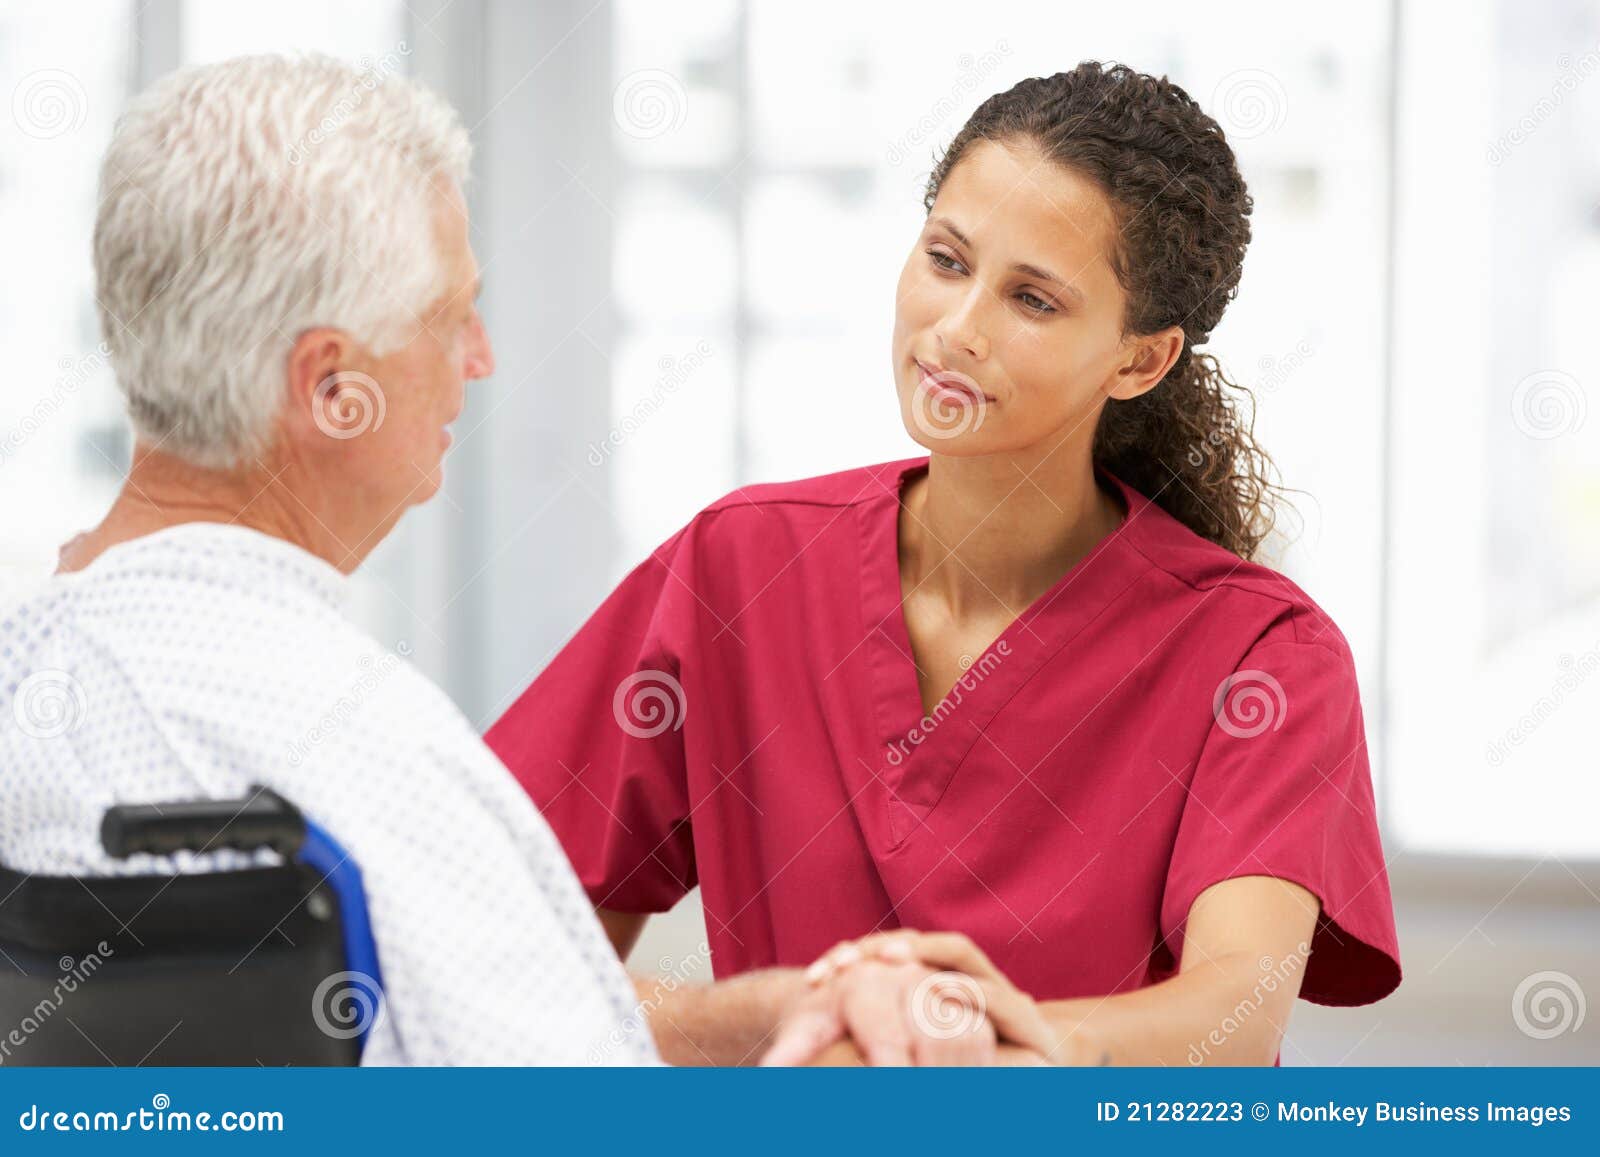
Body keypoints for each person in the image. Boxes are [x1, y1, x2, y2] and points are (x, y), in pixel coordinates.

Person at [487, 61, 1403, 1066]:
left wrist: (961, 1047)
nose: (955, 330)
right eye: (947, 259)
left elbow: (1233, 1018)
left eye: (1033, 300)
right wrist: (762, 1024)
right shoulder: (737, 567)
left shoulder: (1262, 655)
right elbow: (503, 960)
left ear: (1138, 360)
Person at [0, 53, 651, 1065]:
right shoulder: (362, 752)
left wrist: (741, 1020)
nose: (479, 356)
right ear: (329, 383)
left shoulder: (26, 677)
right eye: (448, 315)